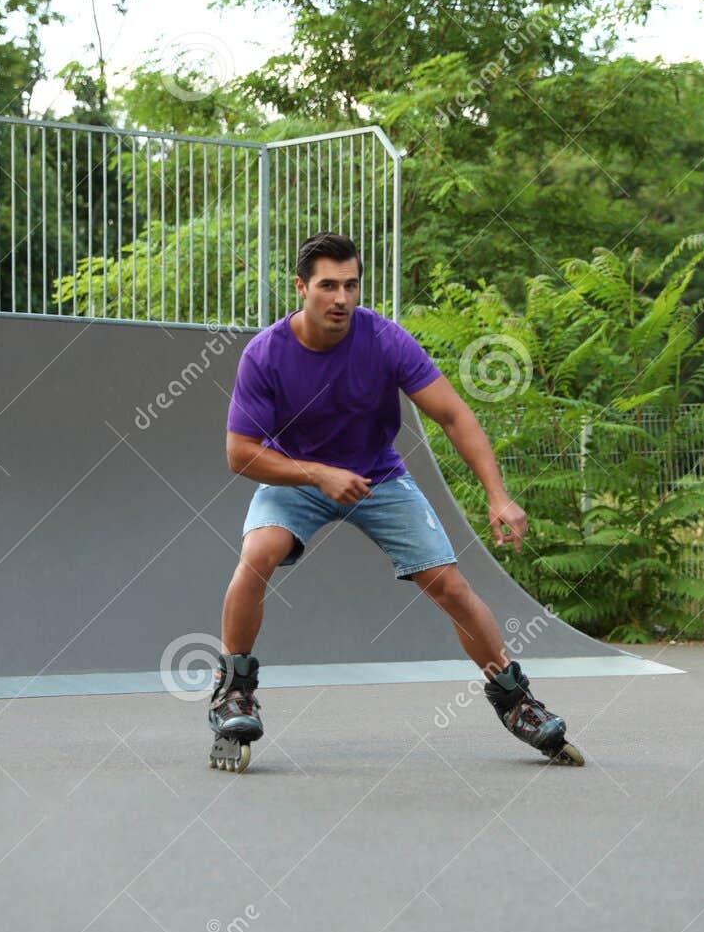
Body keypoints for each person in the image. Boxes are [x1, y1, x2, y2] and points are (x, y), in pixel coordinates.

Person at [205, 231, 583, 773]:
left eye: (351, 285)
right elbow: (240, 455)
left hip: (379, 478)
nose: (341, 298)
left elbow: (453, 415)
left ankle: (515, 699)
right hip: (299, 479)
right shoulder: (265, 354)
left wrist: (498, 496)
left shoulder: (384, 339)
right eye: (328, 286)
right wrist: (318, 474)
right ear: (301, 288)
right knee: (257, 555)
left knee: (450, 585)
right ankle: (233, 691)